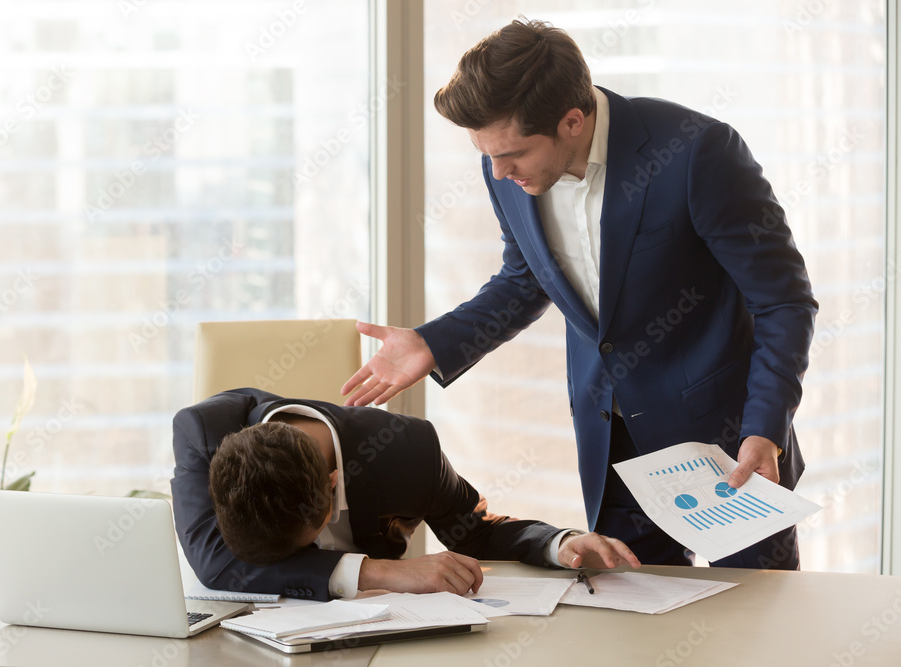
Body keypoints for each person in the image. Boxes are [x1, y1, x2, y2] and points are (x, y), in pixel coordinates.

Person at [341, 18, 817, 569]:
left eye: (512, 154)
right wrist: (433, 343)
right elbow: (524, 281)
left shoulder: (697, 152)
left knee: (756, 630)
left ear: (573, 120)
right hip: (613, 447)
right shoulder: (507, 165)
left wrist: (766, 428)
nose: (498, 172)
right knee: (634, 629)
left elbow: (783, 301)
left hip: (732, 445)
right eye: (486, 154)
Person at [171, 387, 639, 601]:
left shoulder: (407, 451)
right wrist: (383, 573)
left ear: (333, 488)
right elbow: (215, 564)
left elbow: (473, 533)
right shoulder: (204, 436)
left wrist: (560, 543)